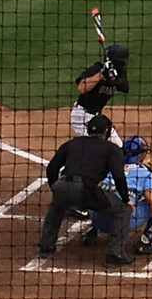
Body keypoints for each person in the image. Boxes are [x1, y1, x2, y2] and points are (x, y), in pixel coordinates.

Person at [35, 113, 134, 265]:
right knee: (122, 209)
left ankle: (45, 247)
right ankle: (115, 254)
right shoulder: (112, 148)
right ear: (106, 131)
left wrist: (55, 188)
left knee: (56, 207)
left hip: (63, 185)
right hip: (86, 190)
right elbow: (119, 176)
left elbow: (52, 167)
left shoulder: (72, 143)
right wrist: (126, 200)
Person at [69, 42, 130, 135]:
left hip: (97, 116)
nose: (124, 63)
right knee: (97, 144)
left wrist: (114, 77)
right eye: (123, 61)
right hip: (81, 116)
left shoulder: (119, 72)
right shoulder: (97, 68)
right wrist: (102, 74)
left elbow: (125, 88)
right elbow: (82, 88)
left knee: (117, 145)